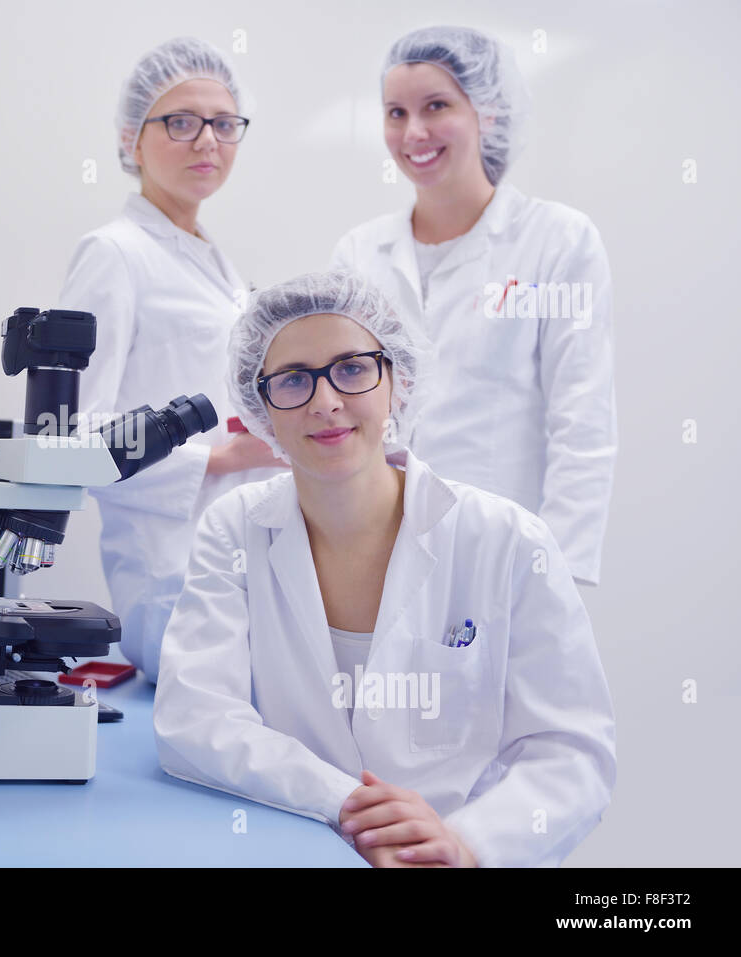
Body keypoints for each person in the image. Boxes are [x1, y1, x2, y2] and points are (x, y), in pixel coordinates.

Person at [152, 270, 616, 867]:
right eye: (293, 379)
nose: (326, 402)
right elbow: (195, 714)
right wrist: (348, 803)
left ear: (397, 380)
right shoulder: (233, 528)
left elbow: (571, 751)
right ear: (259, 405)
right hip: (294, 848)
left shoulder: (507, 540)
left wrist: (466, 843)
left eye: (352, 368)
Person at [330, 25, 616, 585]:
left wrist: (557, 571)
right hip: (377, 551)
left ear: (488, 112)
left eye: (436, 106)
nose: (413, 132)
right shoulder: (360, 253)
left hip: (509, 552)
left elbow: (582, 419)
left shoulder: (557, 239)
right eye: (395, 112)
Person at [57, 37, 284, 682]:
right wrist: (217, 458)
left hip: (236, 548)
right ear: (133, 139)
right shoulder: (114, 254)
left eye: (223, 123)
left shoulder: (212, 259)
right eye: (180, 122)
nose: (206, 140)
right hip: (168, 570)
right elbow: (70, 439)